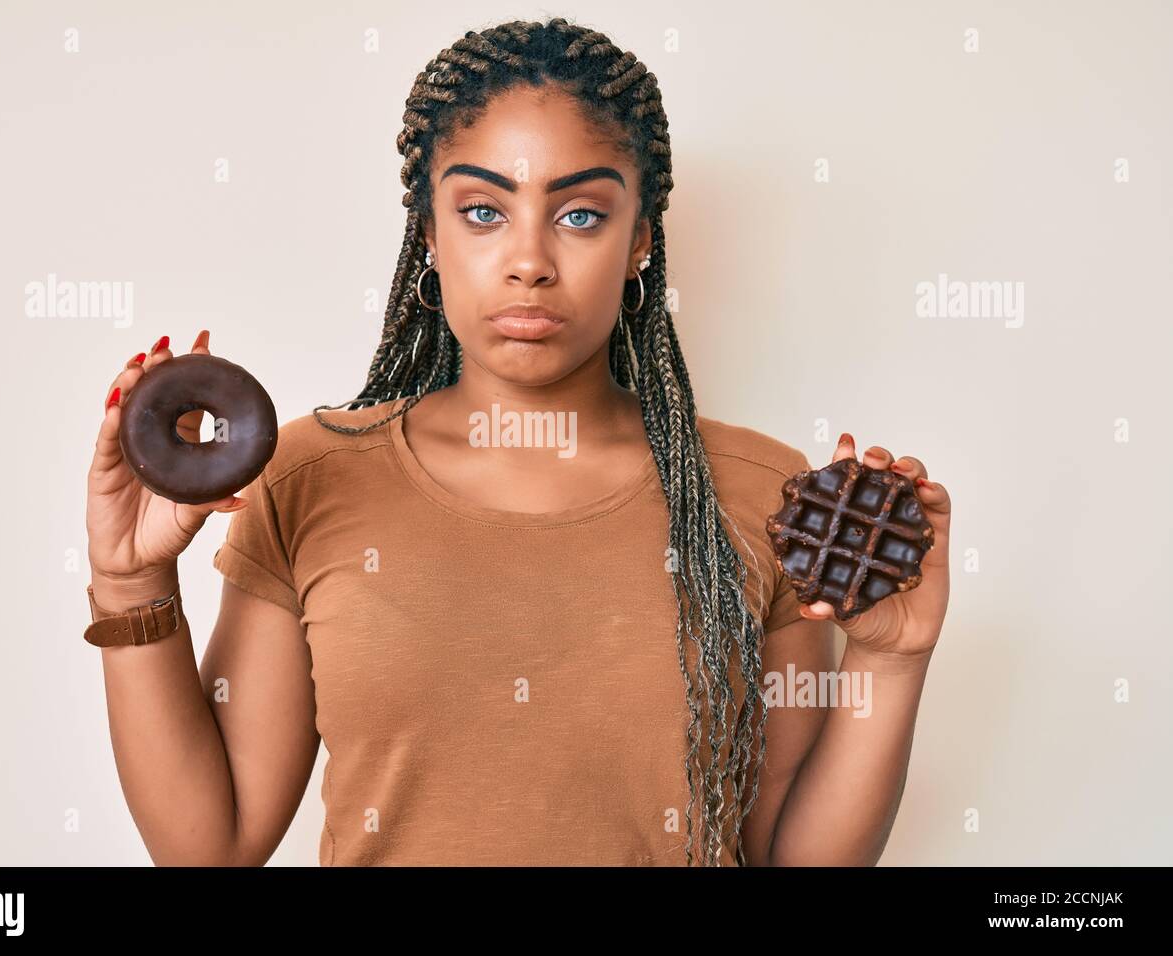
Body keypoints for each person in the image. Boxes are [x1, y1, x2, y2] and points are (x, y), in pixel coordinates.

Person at [84, 17, 952, 867]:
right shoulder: (311, 476)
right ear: (428, 231)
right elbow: (209, 848)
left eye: (579, 215)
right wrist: (131, 581)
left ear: (640, 239)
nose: (529, 259)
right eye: (482, 210)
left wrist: (888, 663)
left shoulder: (763, 490)